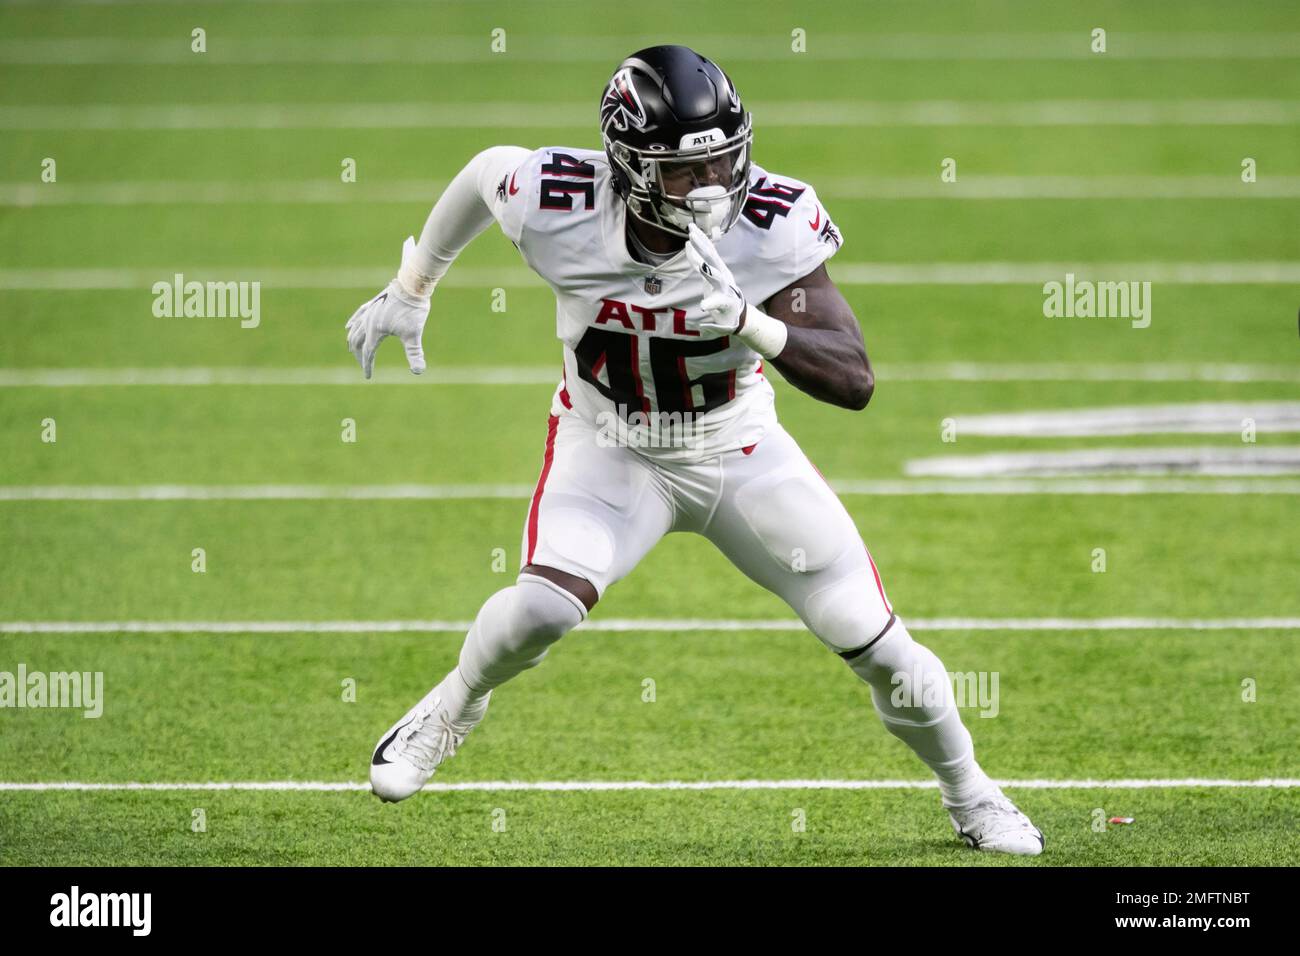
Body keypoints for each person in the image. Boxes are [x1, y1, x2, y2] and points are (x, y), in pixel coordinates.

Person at [346, 45, 1043, 855]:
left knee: (881, 644)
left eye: (724, 160)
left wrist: (753, 322)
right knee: (540, 607)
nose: (713, 187)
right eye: (686, 172)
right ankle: (454, 705)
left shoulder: (768, 221)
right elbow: (480, 173)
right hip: (609, 441)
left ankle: (972, 794)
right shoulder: (556, 200)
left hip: (734, 446)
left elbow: (854, 379)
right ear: (629, 167)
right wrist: (413, 286)